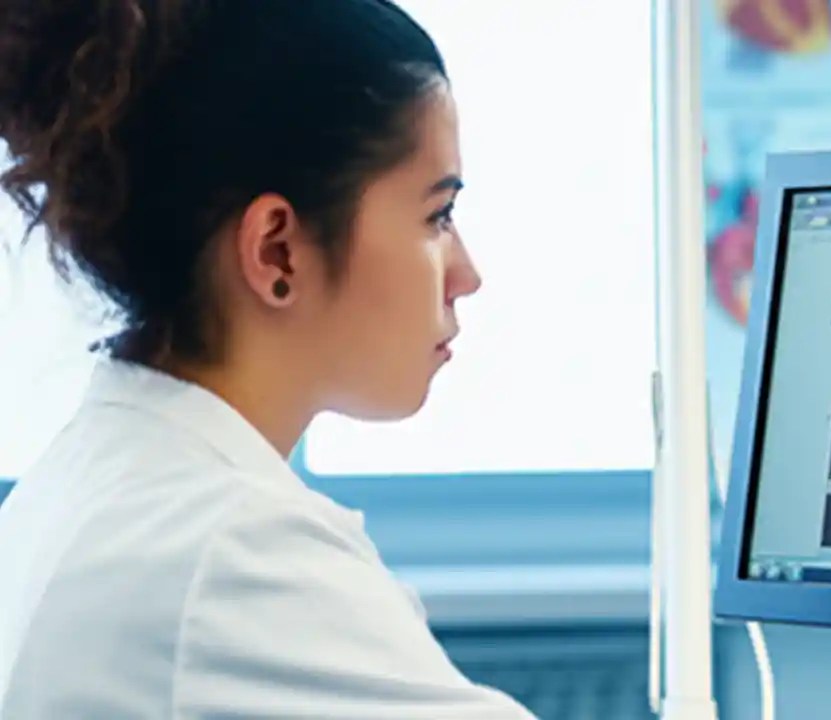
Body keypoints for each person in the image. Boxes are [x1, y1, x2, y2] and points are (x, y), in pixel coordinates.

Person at [0, 1, 536, 717]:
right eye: (436, 216)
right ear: (277, 252)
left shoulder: (93, 483)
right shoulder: (231, 550)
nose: (466, 275)